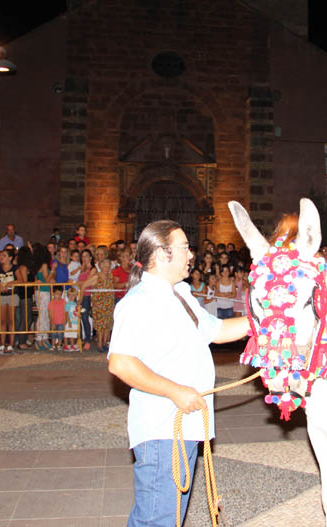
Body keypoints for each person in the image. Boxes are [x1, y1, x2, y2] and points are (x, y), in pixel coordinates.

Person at [107, 220, 250, 526]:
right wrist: (175, 390)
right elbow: (120, 362)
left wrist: (263, 323)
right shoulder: (138, 302)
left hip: (183, 426)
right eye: (184, 247)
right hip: (162, 428)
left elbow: (219, 329)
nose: (191, 254)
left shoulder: (180, 295)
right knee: (158, 519)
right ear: (161, 254)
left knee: (163, 518)